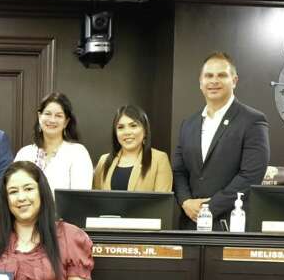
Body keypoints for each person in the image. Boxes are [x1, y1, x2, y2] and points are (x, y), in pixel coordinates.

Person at [171, 51, 269, 229]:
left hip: (229, 225)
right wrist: (186, 202)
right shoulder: (188, 124)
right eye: (208, 76)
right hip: (189, 224)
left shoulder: (252, 120)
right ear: (200, 82)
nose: (214, 81)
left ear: (234, 81)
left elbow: (251, 176)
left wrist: (208, 208)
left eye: (221, 75)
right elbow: (179, 171)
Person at [13, 93, 93, 191]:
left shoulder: (78, 153)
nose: (52, 120)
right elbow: (14, 189)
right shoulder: (24, 153)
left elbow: (79, 198)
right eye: (47, 114)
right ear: (39, 116)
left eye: (58, 116)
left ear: (66, 122)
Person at [92, 104, 173, 192]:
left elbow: (162, 203)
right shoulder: (103, 161)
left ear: (145, 130)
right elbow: (96, 200)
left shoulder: (159, 159)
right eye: (121, 127)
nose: (127, 132)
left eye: (133, 126)